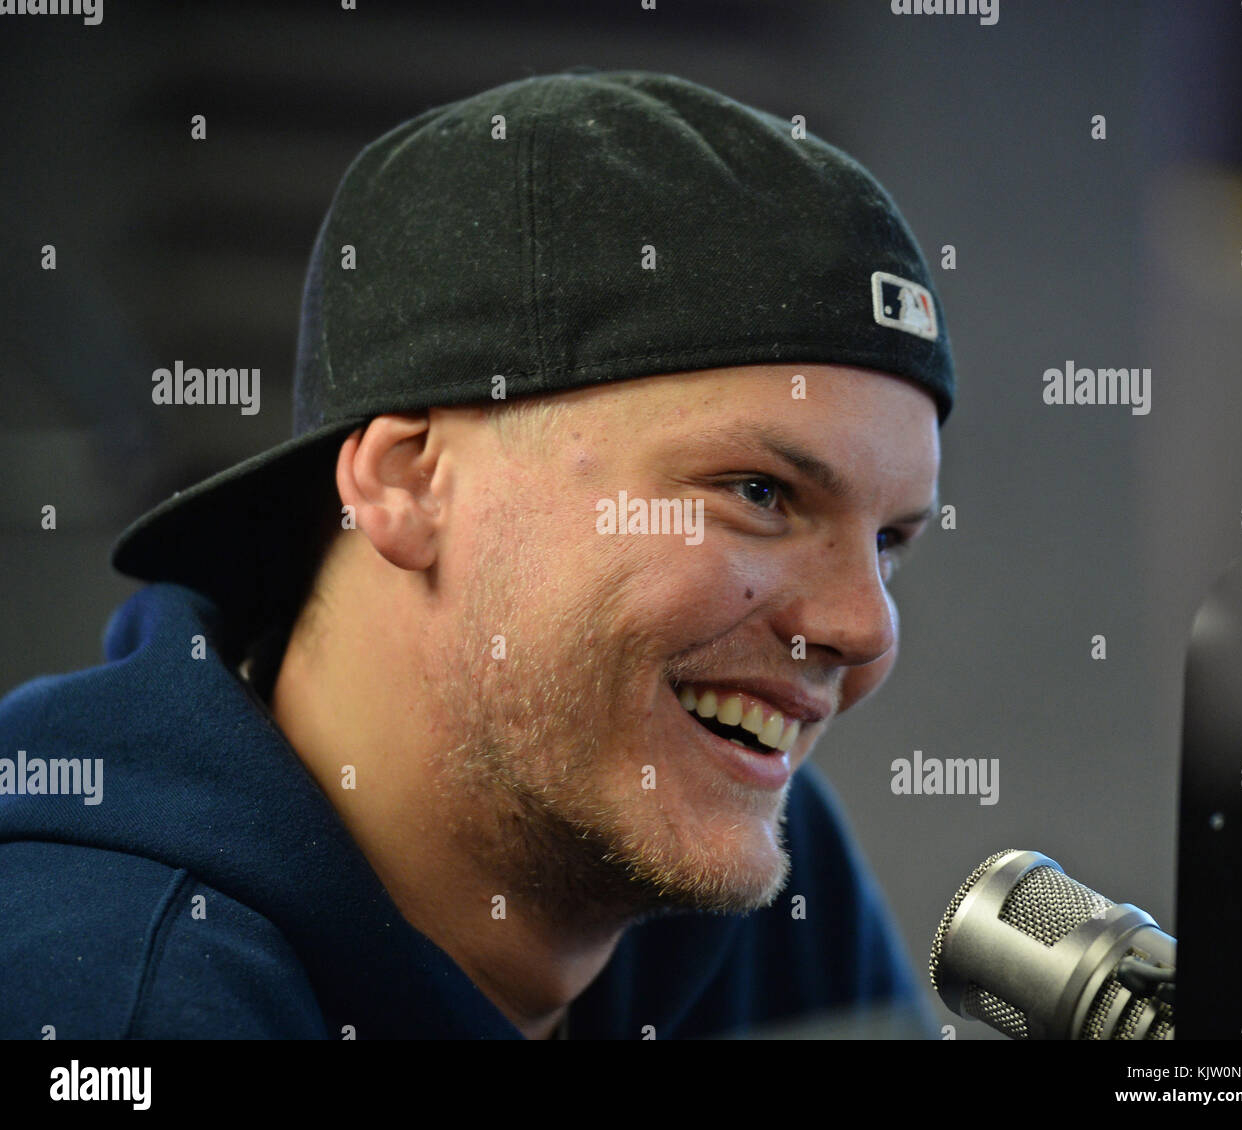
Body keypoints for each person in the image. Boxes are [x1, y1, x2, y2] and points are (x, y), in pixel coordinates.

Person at [0, 69, 954, 1039]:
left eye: (889, 542)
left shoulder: (752, 871)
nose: (860, 626)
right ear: (410, 482)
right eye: (759, 493)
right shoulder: (118, 1003)